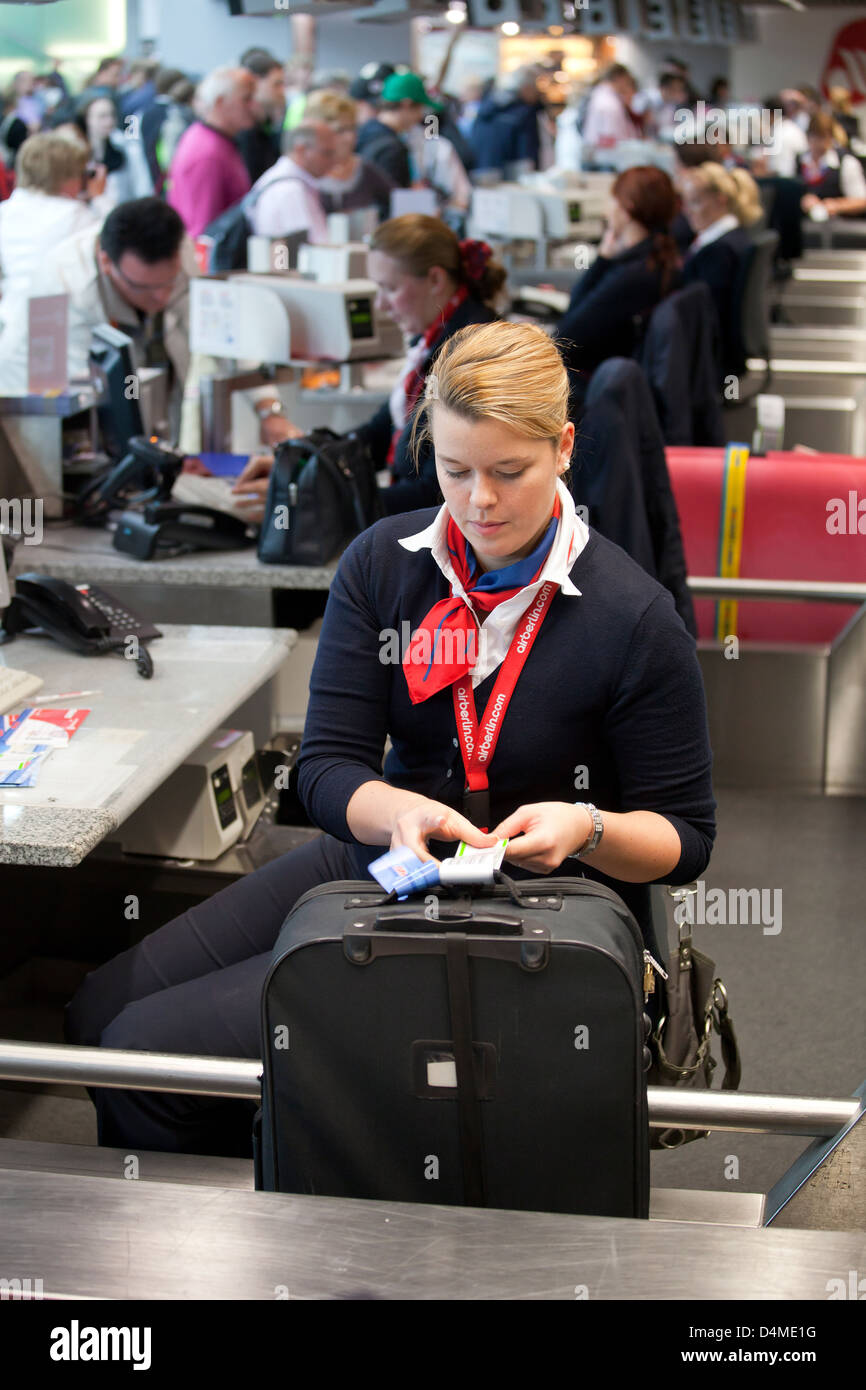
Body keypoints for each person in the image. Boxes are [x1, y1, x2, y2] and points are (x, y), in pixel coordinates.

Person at [64, 318, 716, 1158]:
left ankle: (263, 1224)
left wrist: (586, 828)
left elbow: (687, 839)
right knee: (96, 1007)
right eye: (454, 471)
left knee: (139, 1059)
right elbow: (326, 767)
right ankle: (288, 1155)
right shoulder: (382, 563)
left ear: (564, 447)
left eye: (509, 472)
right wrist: (393, 811)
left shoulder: (632, 618)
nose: (479, 501)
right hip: (391, 857)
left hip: (530, 907)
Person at [231, 213, 507, 517]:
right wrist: (303, 463)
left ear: (436, 280)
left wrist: (312, 497)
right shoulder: (434, 339)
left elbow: (435, 495)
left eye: (390, 288)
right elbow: (379, 434)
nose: (380, 305)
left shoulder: (474, 358)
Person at [0, 195, 195, 397]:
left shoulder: (178, 247)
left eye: (168, 282)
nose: (161, 296)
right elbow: (82, 391)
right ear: (106, 263)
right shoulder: (65, 285)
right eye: (143, 287)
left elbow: (198, 341)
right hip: (30, 396)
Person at [556, 166, 681, 406]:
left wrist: (602, 260)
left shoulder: (633, 275)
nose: (607, 208)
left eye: (613, 199)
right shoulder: (658, 256)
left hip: (592, 387)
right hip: (616, 377)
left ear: (628, 206)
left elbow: (566, 339)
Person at [0, 133, 104, 314]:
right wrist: (99, 198)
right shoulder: (77, 216)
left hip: (10, 315)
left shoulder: (5, 210)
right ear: (67, 175)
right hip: (59, 318)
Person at [678, 161, 763, 378]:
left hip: (709, 361)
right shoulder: (732, 238)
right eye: (686, 203)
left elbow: (702, 315)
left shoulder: (718, 252)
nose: (687, 212)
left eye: (695, 202)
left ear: (720, 199)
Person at [167, 66, 256, 237]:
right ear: (220, 103)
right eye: (246, 99)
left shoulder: (215, 140)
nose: (253, 106)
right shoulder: (208, 152)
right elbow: (202, 232)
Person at [304, 89, 394, 222]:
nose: (350, 137)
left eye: (353, 128)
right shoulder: (304, 175)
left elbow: (398, 199)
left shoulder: (364, 169)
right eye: (340, 130)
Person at [246, 120, 338, 244]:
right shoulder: (289, 190)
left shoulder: (285, 182)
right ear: (301, 150)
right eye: (327, 153)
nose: (333, 161)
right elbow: (311, 249)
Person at [356, 72, 435, 189]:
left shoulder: (364, 132)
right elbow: (396, 201)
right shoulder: (393, 148)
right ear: (406, 104)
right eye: (420, 109)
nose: (420, 116)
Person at [74, 94, 153, 205]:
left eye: (112, 115)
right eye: (102, 116)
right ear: (87, 119)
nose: (109, 121)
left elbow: (143, 187)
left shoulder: (128, 148)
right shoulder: (78, 151)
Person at [469, 65, 545, 177]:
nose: (538, 93)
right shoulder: (523, 112)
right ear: (526, 88)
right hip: (510, 177)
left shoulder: (487, 104)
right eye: (536, 88)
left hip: (480, 171)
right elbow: (526, 154)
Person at [797, 111, 866, 220]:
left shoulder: (846, 162)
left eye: (823, 137)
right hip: (806, 229)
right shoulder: (800, 161)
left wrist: (836, 205)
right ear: (808, 136)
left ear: (831, 137)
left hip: (840, 229)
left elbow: (862, 201)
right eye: (815, 137)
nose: (819, 144)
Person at [237, 48, 286, 185]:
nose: (282, 91)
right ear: (256, 82)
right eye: (277, 84)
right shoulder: (246, 128)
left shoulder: (266, 122)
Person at [580, 64, 642, 155]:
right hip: (607, 157)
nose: (627, 84)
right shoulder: (609, 102)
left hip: (599, 153)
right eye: (627, 80)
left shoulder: (602, 95)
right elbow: (609, 137)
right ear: (619, 78)